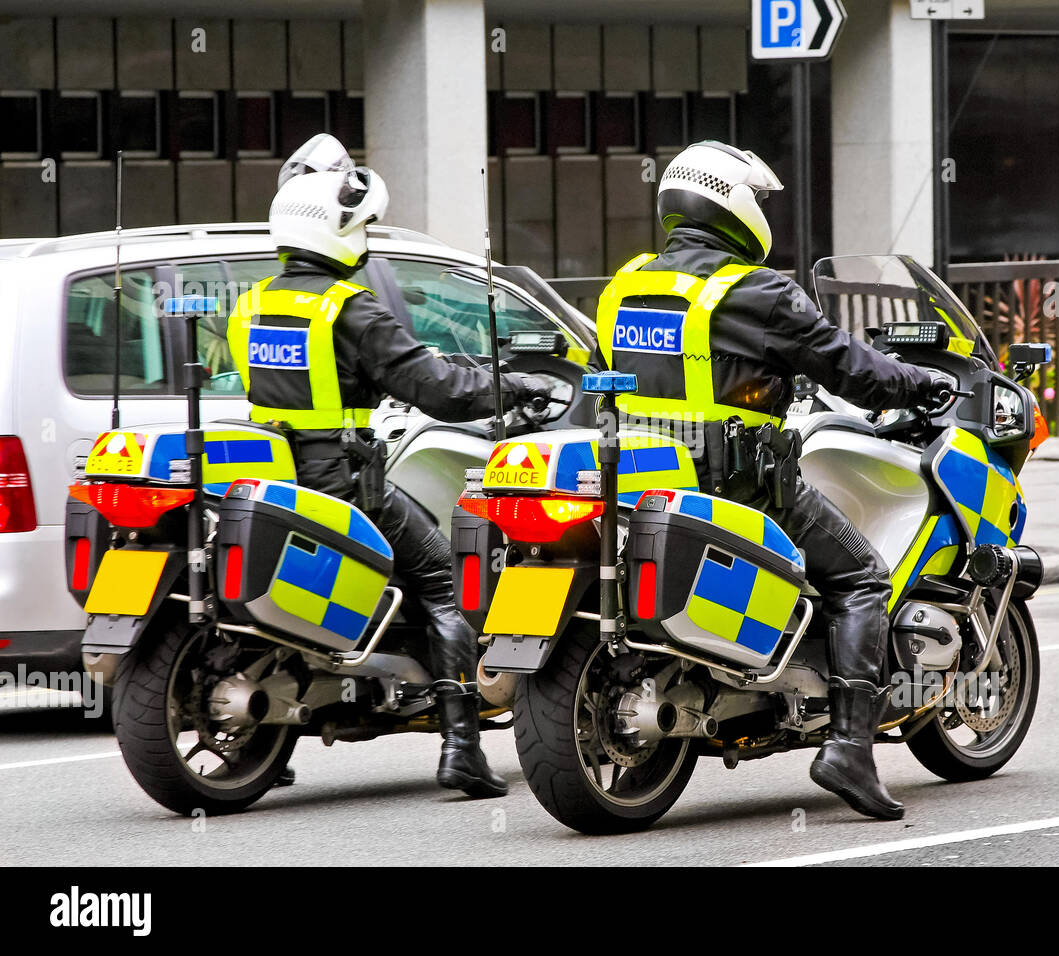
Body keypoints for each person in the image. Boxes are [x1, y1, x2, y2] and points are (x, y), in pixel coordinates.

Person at [595, 140, 950, 820]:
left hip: (643, 479)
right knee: (862, 578)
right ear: (733, 205)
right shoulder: (755, 292)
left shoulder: (628, 283)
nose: (765, 213)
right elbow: (849, 367)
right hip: (738, 485)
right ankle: (849, 746)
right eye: (760, 202)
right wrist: (922, 379)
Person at [227, 134, 550, 798]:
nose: (367, 237)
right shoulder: (349, 307)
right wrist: (510, 384)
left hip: (271, 477)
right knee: (442, 581)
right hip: (342, 481)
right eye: (362, 225)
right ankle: (462, 745)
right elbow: (438, 387)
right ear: (338, 230)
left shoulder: (252, 302)